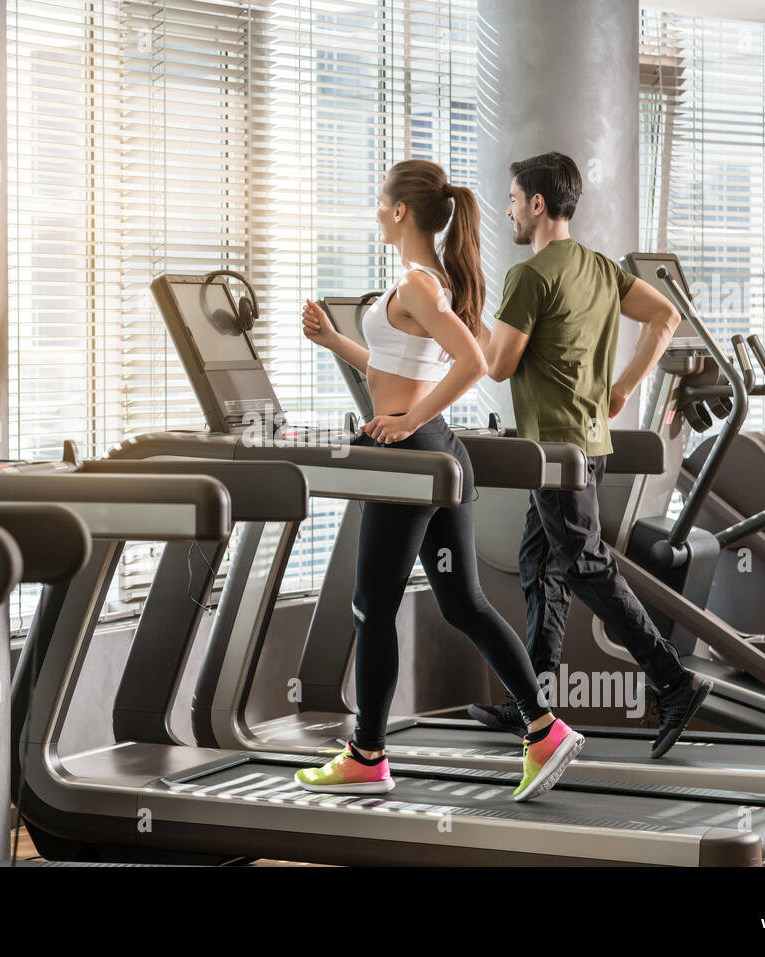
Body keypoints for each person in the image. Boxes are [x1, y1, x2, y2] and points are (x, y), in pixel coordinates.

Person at [295, 159, 583, 802]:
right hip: (436, 452)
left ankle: (367, 757)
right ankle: (542, 729)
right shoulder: (429, 283)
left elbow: (472, 361)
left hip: (413, 457)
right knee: (463, 604)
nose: (375, 213)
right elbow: (399, 365)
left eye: (379, 203)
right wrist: (335, 342)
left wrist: (403, 422)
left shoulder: (421, 285)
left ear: (400, 212)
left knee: (372, 607)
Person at [466, 151, 711, 758]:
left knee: (584, 567)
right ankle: (534, 705)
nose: (509, 209)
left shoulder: (531, 277)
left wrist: (453, 322)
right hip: (586, 446)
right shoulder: (599, 268)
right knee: (539, 565)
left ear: (539, 205)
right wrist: (623, 388)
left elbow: (496, 364)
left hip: (555, 451)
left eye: (515, 199)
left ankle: (675, 684)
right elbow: (666, 316)